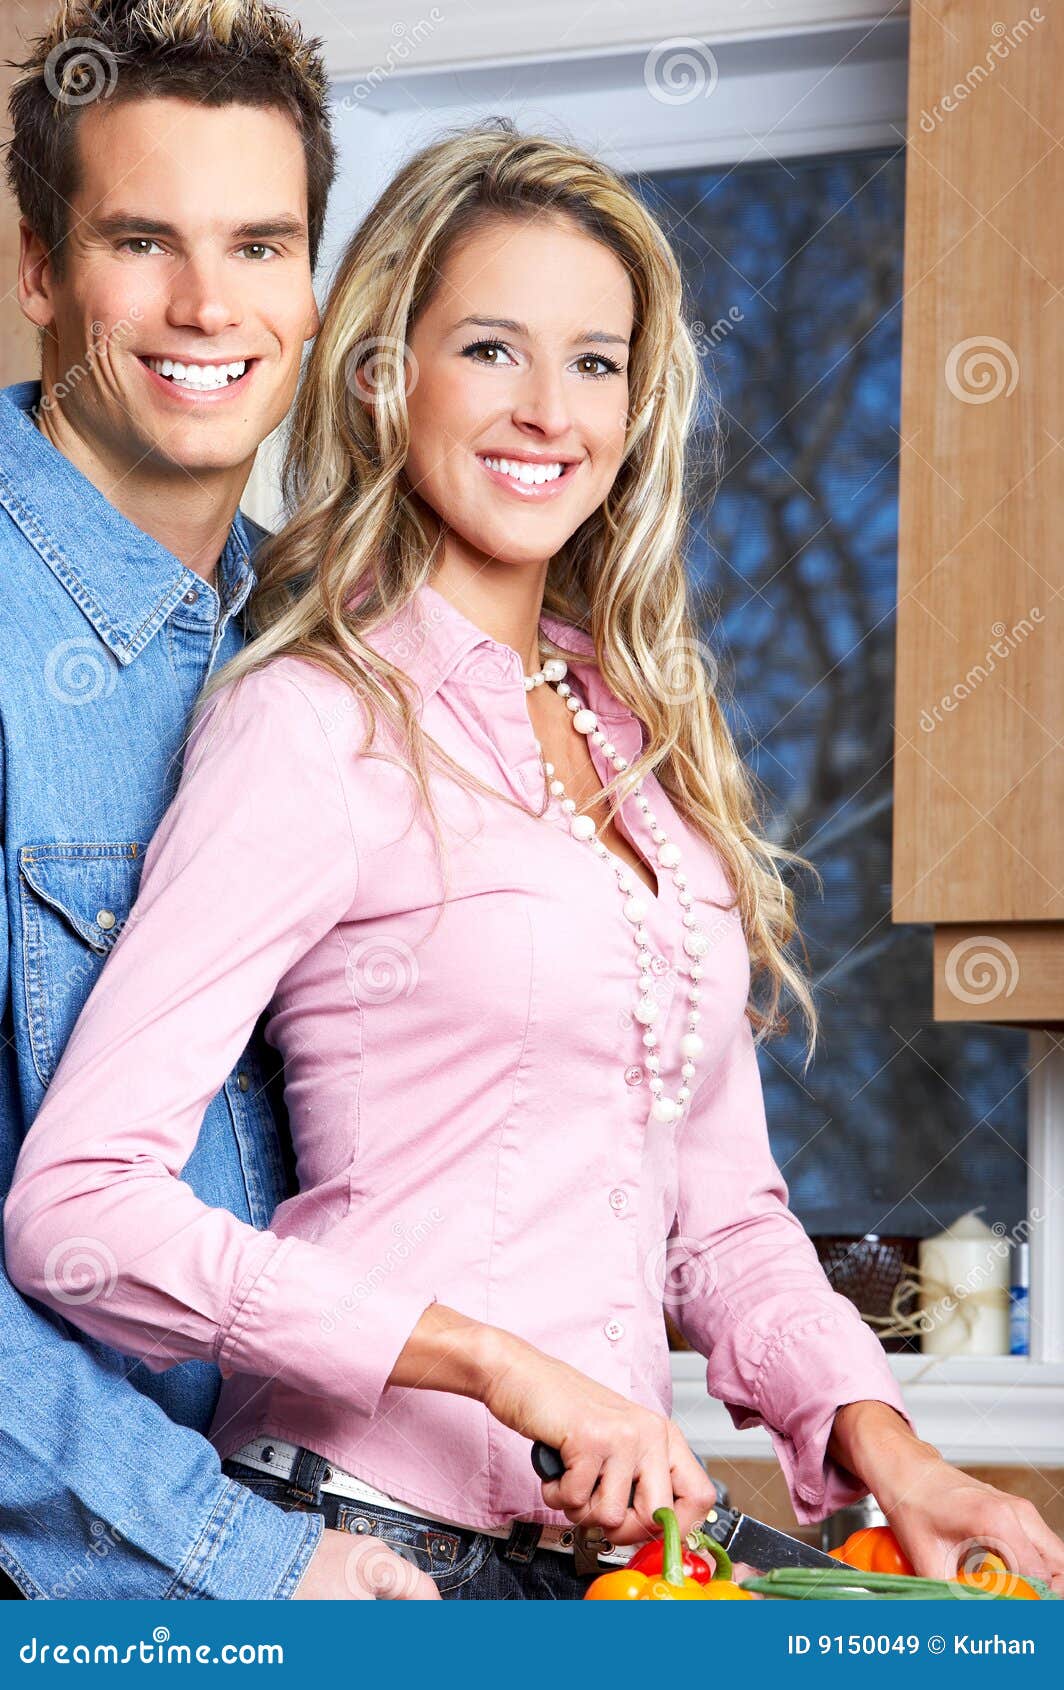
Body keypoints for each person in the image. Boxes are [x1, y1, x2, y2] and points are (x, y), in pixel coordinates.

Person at [10, 117, 1064, 1601]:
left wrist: (895, 1448)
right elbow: (79, 1206)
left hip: (603, 1569)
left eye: (597, 361)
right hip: (363, 1555)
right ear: (389, 375)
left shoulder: (648, 750)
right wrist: (496, 1364)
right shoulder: (311, 722)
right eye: (493, 349)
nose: (548, 410)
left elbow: (729, 1217)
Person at [0, 0, 435, 1601]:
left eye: (260, 244)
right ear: (41, 270)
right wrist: (225, 1554)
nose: (207, 304)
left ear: (312, 286)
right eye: (140, 241)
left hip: (333, 1551)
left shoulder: (327, 654)